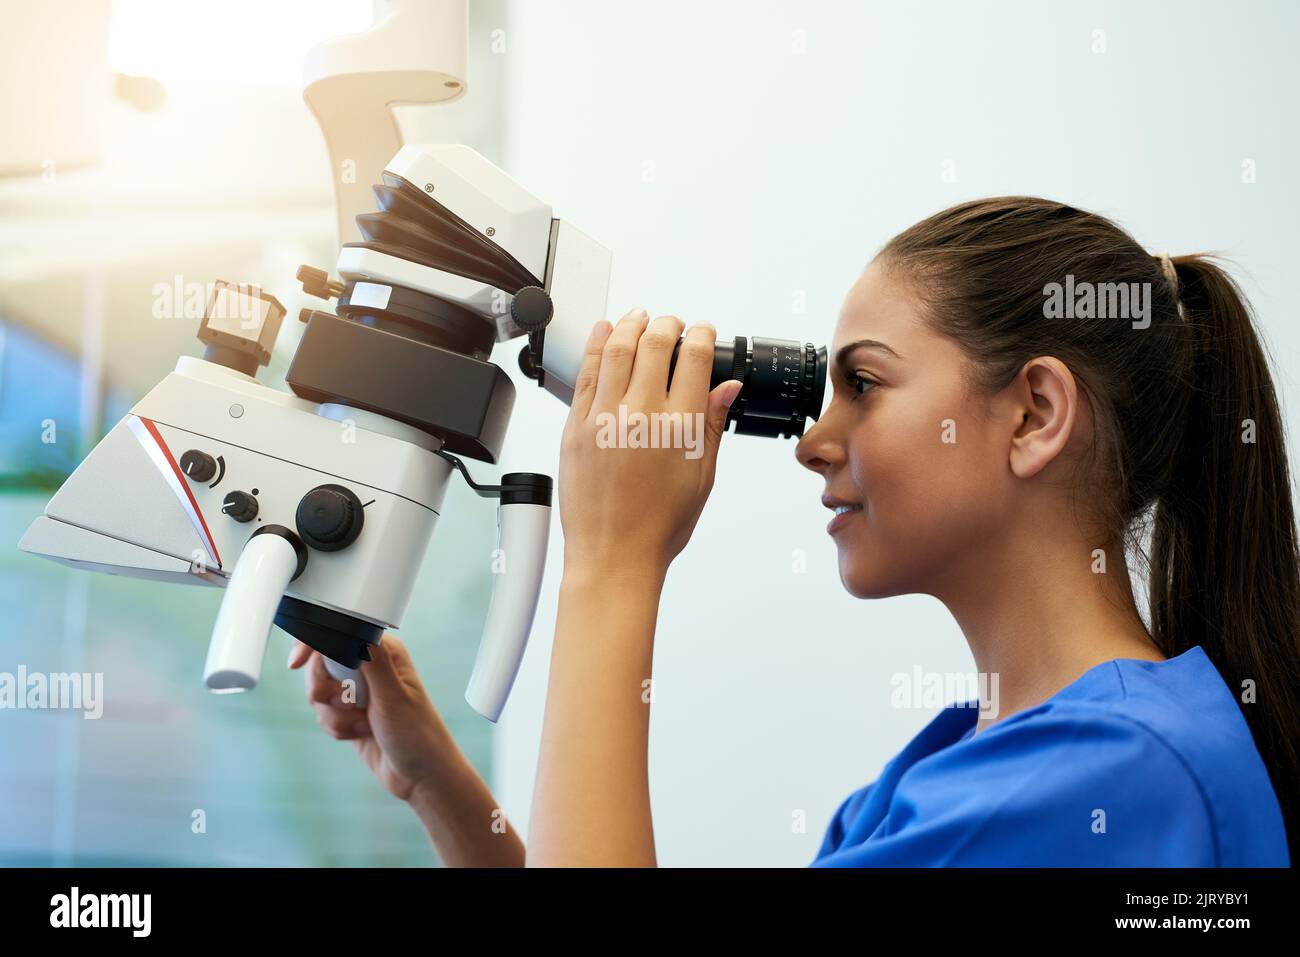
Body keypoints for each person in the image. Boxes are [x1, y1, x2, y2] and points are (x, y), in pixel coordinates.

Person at [291, 196, 1296, 867]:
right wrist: (436, 784)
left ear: (1033, 415)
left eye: (863, 383)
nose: (814, 440)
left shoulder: (1106, 776)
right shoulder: (973, 764)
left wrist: (613, 564)